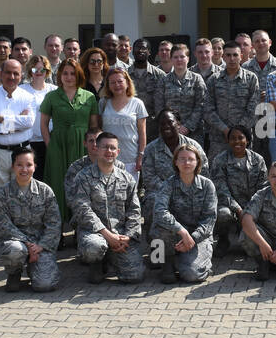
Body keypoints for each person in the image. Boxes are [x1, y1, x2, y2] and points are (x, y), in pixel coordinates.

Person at [68, 131, 145, 284]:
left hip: (121, 234)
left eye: (112, 148)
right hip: (95, 233)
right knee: (94, 247)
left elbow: (134, 211)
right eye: (105, 147)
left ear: (118, 151)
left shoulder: (127, 178)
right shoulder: (83, 177)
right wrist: (108, 236)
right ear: (96, 148)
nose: (109, 151)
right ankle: (97, 264)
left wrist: (128, 236)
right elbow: (83, 210)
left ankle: (112, 257)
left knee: (134, 276)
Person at [0, 59, 41, 248]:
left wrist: (2, 120)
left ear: (21, 74)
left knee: (22, 196)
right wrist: (16, 122)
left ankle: (21, 238)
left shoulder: (27, 96)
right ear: (0, 72)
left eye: (16, 73)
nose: (12, 77)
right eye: (8, 73)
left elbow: (29, 123)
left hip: (22, 152)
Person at [0, 146, 61, 292]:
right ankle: (14, 273)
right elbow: (4, 224)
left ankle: (34, 271)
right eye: (19, 165)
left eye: (29, 165)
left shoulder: (45, 191)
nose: (24, 169)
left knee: (44, 286)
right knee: (15, 250)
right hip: (17, 243)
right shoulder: (3, 193)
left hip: (41, 245)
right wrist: (27, 243)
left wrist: (40, 246)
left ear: (35, 167)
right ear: (13, 167)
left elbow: (54, 224)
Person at [40, 58, 98, 226]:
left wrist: (92, 148)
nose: (69, 77)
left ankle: (82, 227)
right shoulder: (51, 96)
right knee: (57, 186)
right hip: (58, 146)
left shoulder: (89, 97)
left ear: (78, 74)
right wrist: (50, 146)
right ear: (60, 75)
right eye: (65, 73)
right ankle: (56, 230)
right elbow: (43, 124)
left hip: (82, 146)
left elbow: (94, 126)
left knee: (82, 186)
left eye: (72, 73)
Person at [152, 142, 218, 283]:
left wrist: (192, 238)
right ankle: (167, 263)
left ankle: (194, 263)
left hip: (198, 236)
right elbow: (159, 211)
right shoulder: (168, 184)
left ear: (197, 162)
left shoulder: (207, 185)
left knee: (191, 275)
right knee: (158, 230)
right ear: (175, 162)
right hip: (174, 234)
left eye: (190, 159)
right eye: (182, 159)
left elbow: (209, 219)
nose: (186, 162)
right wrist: (181, 231)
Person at [141, 110, 207, 243]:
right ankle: (156, 246)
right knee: (152, 202)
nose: (166, 126)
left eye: (170, 122)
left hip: (190, 191)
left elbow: (203, 171)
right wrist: (170, 191)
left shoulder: (193, 146)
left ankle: (191, 239)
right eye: (162, 123)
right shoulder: (150, 149)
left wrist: (184, 189)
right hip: (160, 193)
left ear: (178, 124)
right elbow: (149, 178)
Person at [211, 125, 268, 258]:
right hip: (230, 207)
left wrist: (251, 210)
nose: (237, 141)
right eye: (233, 138)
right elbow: (221, 189)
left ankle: (252, 238)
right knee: (222, 214)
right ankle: (223, 240)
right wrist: (238, 210)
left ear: (247, 140)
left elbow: (263, 188)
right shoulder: (220, 160)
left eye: (240, 138)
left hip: (253, 207)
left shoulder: (258, 160)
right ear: (228, 141)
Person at [206, 42, 261, 162]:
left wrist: (237, 133)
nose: (232, 59)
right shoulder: (213, 80)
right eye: (228, 55)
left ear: (241, 56)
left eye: (235, 55)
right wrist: (225, 130)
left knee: (244, 172)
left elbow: (254, 109)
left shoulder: (251, 79)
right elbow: (208, 109)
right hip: (219, 138)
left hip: (242, 139)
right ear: (223, 57)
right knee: (217, 172)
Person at [100, 67, 148, 180]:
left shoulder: (137, 103)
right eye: (112, 82)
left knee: (129, 195)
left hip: (130, 159)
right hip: (108, 157)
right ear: (108, 85)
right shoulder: (103, 103)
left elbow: (142, 133)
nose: (117, 85)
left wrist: (141, 156)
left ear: (127, 82)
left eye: (120, 81)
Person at [161, 43, 210, 147]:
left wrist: (187, 127)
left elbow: (201, 105)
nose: (179, 60)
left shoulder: (197, 79)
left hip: (194, 133)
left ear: (188, 58)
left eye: (182, 56)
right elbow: (159, 106)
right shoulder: (163, 80)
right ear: (171, 59)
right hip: (169, 132)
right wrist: (172, 126)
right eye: (176, 57)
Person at [22, 55, 58, 179]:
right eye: (34, 70)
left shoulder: (54, 90)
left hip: (49, 141)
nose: (38, 72)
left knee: (48, 177)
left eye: (42, 70)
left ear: (47, 71)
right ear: (29, 71)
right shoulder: (21, 90)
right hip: (28, 142)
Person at [129, 38, 167, 142]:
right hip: (130, 127)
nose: (140, 51)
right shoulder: (125, 75)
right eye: (137, 48)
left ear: (149, 52)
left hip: (153, 128)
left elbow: (164, 102)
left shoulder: (160, 75)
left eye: (143, 48)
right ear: (132, 51)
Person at [242, 29, 276, 102]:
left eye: (263, 40)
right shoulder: (245, 67)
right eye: (257, 41)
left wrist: (271, 95)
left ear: (270, 42)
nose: (260, 43)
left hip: (273, 111)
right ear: (252, 45)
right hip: (253, 111)